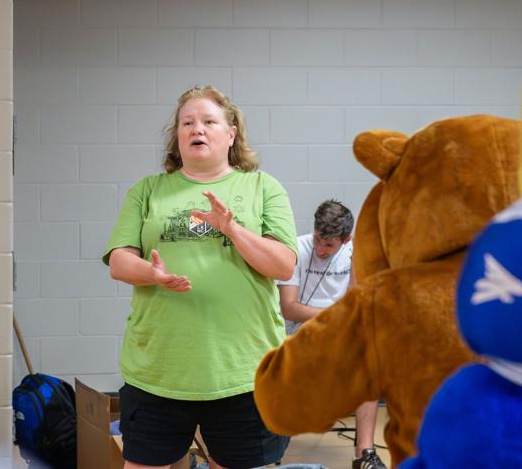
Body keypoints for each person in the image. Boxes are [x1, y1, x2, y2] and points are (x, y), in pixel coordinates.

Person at [103, 85, 298, 469]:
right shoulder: (148, 190)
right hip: (159, 368)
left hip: (243, 371)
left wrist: (234, 230)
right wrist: (152, 273)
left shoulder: (263, 188)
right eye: (187, 122)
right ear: (177, 136)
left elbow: (283, 266)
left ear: (231, 134)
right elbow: (119, 261)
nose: (198, 129)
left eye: (209, 121)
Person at [278, 199, 386, 469]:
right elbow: (289, 308)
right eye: (318, 240)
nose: (320, 250)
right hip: (298, 333)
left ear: (346, 239)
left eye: (329, 245)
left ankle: (365, 454)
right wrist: (334, 316)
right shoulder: (297, 249)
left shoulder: (355, 252)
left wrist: (356, 265)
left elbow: (356, 303)